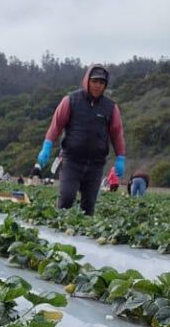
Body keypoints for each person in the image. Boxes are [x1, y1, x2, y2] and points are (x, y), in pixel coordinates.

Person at [36, 64, 125, 215]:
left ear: (105, 86)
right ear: (87, 81)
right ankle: (60, 230)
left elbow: (117, 133)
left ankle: (83, 233)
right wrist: (47, 146)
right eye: (94, 81)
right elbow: (56, 125)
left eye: (101, 83)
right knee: (67, 198)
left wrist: (120, 157)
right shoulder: (70, 101)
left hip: (96, 164)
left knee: (89, 206)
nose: (97, 86)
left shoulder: (110, 107)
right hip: (72, 160)